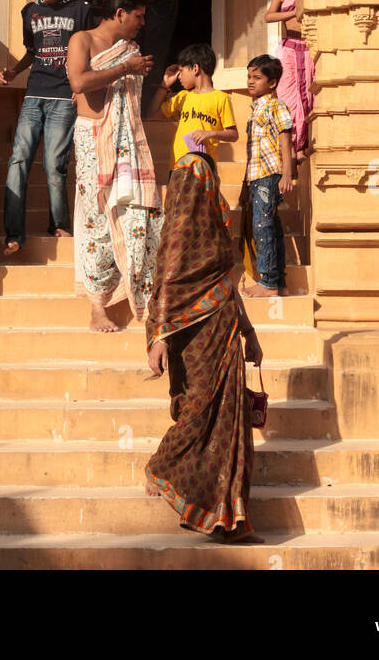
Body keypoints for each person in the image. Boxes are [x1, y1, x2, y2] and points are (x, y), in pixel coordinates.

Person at [145, 149, 263, 539]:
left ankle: (225, 514)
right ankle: (162, 468)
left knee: (228, 418)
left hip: (224, 333)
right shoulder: (175, 237)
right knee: (198, 411)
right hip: (190, 340)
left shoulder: (216, 230)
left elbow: (230, 283)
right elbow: (166, 285)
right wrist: (159, 337)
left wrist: (250, 332)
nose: (189, 190)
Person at [66, 0, 163, 333]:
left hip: (126, 144)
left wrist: (133, 68)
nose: (141, 23)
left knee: (142, 215)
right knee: (95, 221)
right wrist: (126, 69)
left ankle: (144, 294)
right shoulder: (83, 41)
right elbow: (79, 83)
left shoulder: (130, 50)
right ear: (120, 13)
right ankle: (98, 308)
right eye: (138, 16)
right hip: (93, 138)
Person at [0, 0, 93, 257]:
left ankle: (59, 224)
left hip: (64, 97)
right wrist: (15, 70)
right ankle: (13, 234)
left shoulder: (81, 11)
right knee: (18, 160)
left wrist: (84, 86)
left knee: (55, 164)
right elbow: (33, 51)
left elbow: (90, 53)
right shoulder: (30, 12)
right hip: (34, 95)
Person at [240, 54, 294, 299]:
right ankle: (279, 282)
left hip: (270, 174)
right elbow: (252, 151)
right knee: (269, 227)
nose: (250, 81)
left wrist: (287, 174)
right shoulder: (255, 109)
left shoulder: (276, 106)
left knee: (263, 227)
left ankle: (268, 281)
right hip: (256, 176)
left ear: (272, 83)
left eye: (257, 77)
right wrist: (244, 184)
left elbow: (286, 142)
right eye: (249, 76)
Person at [145, 42, 238, 168]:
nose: (179, 77)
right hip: (179, 166)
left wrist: (210, 133)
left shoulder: (221, 98)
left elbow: (233, 134)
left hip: (204, 168)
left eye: (181, 71)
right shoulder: (182, 97)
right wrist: (164, 85)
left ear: (195, 68)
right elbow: (151, 115)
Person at [264, 0, 315, 159]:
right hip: (289, 49)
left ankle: (303, 145)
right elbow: (268, 17)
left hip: (308, 47)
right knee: (287, 95)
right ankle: (291, 146)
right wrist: (294, 11)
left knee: (308, 96)